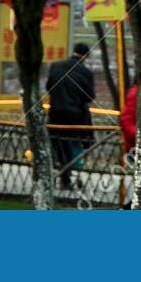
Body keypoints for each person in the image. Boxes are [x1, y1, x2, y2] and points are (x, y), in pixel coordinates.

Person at [45, 42, 97, 190]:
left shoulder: (56, 66)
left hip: (55, 114)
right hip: (75, 117)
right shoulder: (85, 72)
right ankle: (67, 179)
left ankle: (55, 176)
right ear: (86, 56)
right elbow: (89, 97)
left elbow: (49, 87)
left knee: (56, 145)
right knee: (70, 146)